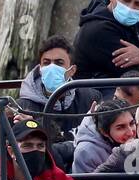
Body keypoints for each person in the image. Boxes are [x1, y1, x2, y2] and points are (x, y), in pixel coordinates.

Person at [18, 35, 102, 163]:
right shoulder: (24, 107)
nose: (52, 67)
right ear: (40, 69)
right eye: (46, 63)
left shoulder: (91, 98)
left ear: (72, 70)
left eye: (59, 63)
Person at [72, 97, 136, 174]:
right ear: (104, 132)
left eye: (132, 123)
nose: (130, 133)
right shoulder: (85, 152)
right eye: (121, 127)